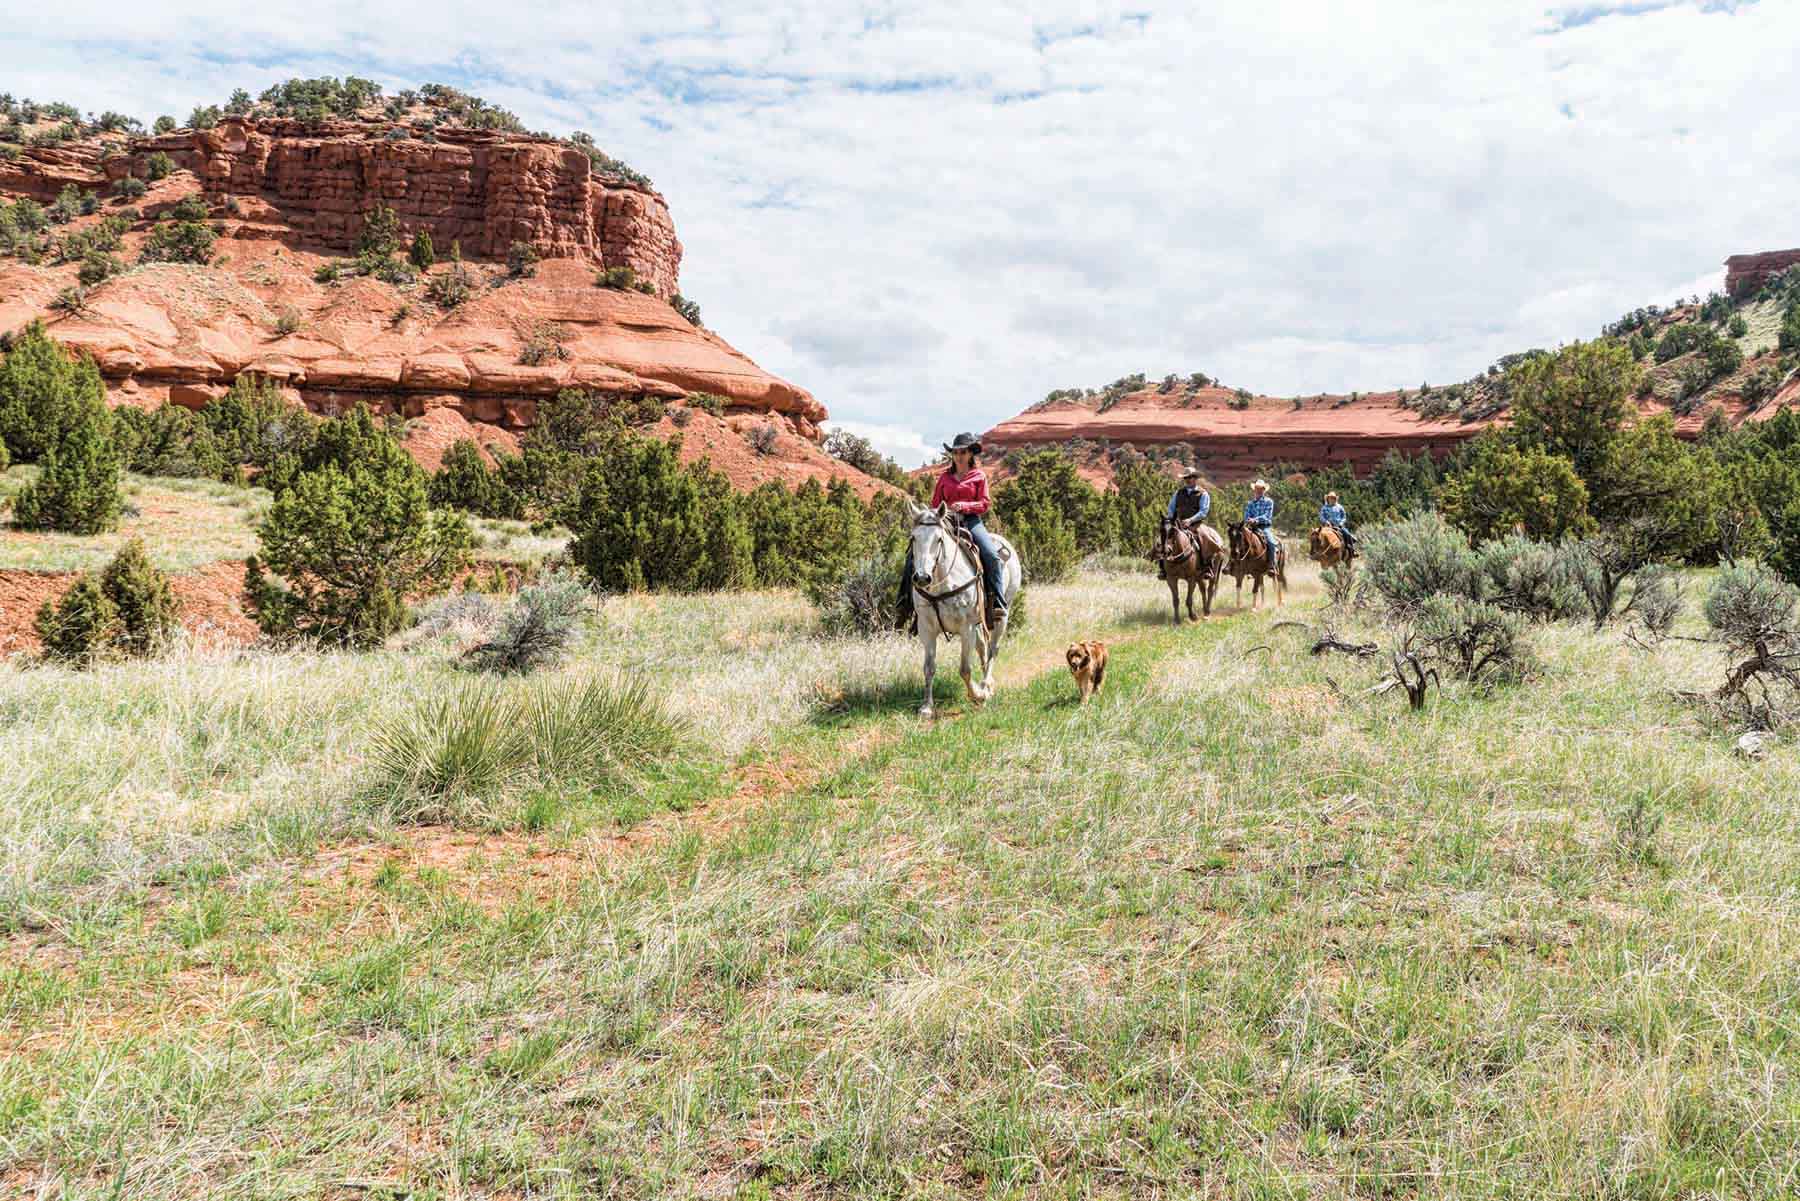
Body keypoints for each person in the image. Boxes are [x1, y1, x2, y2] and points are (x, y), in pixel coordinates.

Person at [897, 432, 1007, 625]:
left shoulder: (979, 476)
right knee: (912, 556)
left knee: (991, 555)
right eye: (955, 452)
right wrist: (935, 515)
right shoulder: (944, 478)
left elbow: (985, 503)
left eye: (963, 452)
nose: (958, 456)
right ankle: (905, 605)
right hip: (945, 522)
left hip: (971, 521)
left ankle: (996, 602)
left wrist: (965, 506)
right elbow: (935, 503)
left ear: (971, 454)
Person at [1159, 468, 1211, 579]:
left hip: (1195, 524)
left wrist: (1190, 520)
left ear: (1195, 479)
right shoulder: (1178, 493)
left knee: (1203, 539)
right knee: (1163, 538)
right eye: (1185, 478)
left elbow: (1203, 511)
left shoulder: (1203, 493)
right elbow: (1171, 508)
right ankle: (1162, 569)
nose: (1187, 480)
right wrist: (1170, 520)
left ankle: (1206, 567)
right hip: (1178, 524)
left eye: (1190, 478)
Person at [1243, 478, 1280, 566]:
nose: (1259, 491)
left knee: (1271, 542)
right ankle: (1235, 565)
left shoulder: (1269, 502)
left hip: (1264, 527)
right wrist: (1249, 520)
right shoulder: (1250, 503)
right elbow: (1246, 516)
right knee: (1238, 540)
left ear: (1264, 490)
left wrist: (1255, 520)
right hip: (1251, 528)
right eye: (1257, 489)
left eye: (1261, 489)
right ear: (1254, 490)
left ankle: (1272, 565)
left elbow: (1267, 516)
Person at [1318, 490, 1355, 555]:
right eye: (1330, 498)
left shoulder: (1340, 507)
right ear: (1327, 499)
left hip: (1338, 526)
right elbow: (1321, 516)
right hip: (1328, 526)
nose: (1331, 499)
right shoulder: (1324, 508)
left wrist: (1341, 523)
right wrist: (1326, 521)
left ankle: (1351, 550)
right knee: (1316, 535)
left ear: (1335, 499)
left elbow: (1344, 516)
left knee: (1347, 534)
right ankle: (1316, 552)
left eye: (1333, 498)